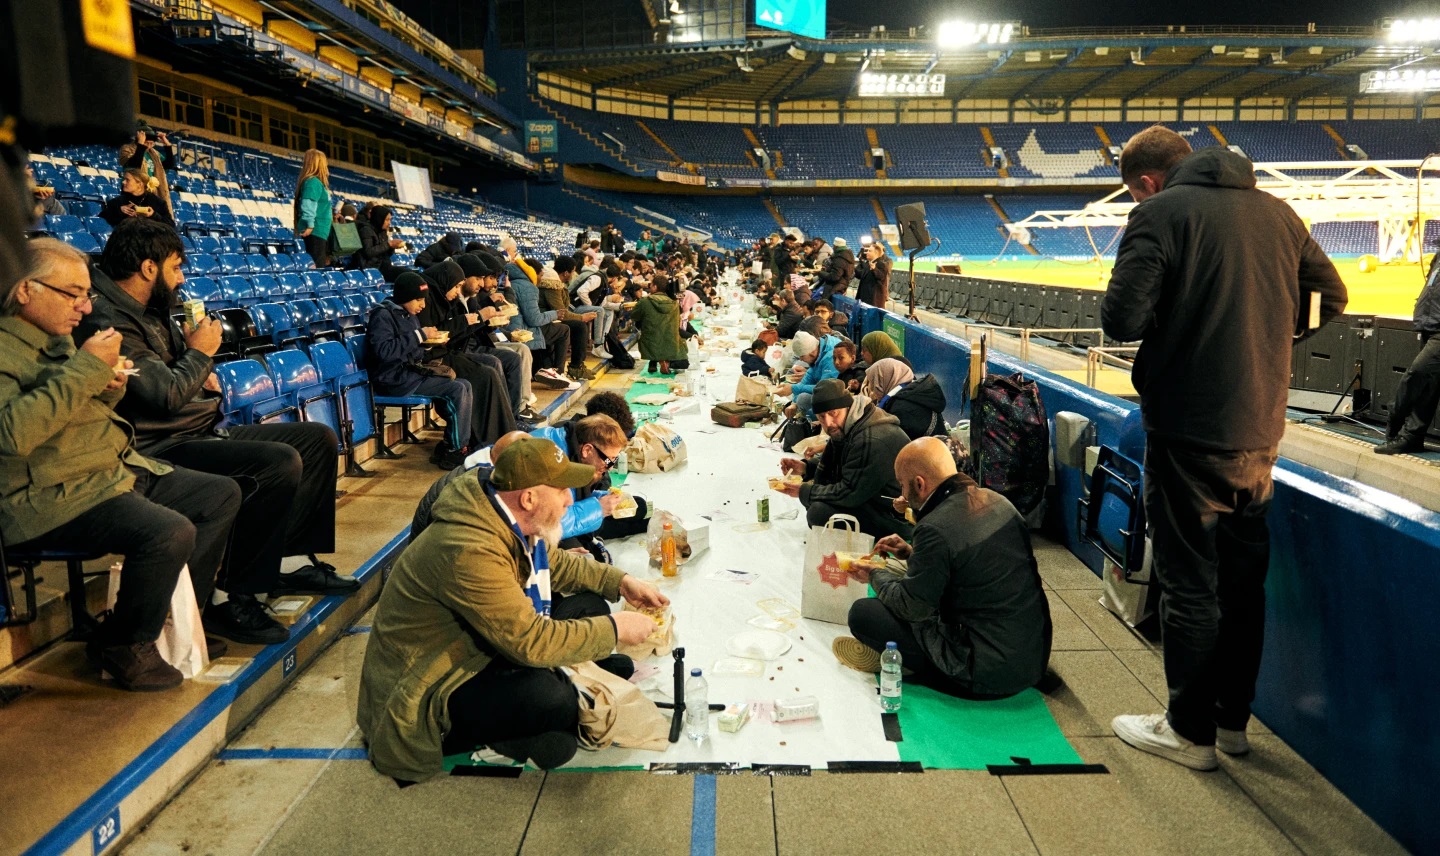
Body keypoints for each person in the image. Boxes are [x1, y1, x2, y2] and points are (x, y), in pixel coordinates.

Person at [1101, 126, 1348, 771]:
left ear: (1148, 181)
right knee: (1244, 585)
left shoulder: (1156, 214)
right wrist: (1269, 340)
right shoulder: (1278, 213)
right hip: (1259, 430)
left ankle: (1189, 733)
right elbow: (1332, 297)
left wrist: (1185, 338)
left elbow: (1121, 320)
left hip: (1186, 428)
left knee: (1190, 584)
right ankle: (1230, 724)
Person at [79, 219, 352, 644]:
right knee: (278, 463)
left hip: (194, 430)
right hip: (156, 447)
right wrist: (199, 354)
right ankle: (234, 597)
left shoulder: (155, 308)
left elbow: (177, 378)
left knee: (316, 439)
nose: (183, 276)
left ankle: (283, 565)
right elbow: (163, 394)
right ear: (149, 268)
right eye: (176, 266)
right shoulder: (109, 319)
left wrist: (200, 367)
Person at [0, 239, 241, 690]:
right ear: (25, 289)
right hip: (43, 495)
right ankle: (125, 643)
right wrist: (87, 370)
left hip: (99, 472)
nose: (85, 306)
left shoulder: (57, 339)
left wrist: (107, 384)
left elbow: (78, 408)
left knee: (218, 494)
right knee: (168, 531)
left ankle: (181, 620)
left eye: (87, 294)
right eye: (73, 294)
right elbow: (13, 435)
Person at [358, 438, 669, 781]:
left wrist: (621, 582)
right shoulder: (468, 550)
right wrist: (615, 629)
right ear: (529, 498)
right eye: (562, 490)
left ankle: (537, 716)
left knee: (591, 608)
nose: (570, 500)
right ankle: (471, 736)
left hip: (480, 648)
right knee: (554, 700)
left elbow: (558, 564)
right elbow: (530, 641)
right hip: (434, 683)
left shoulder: (501, 514)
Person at [832, 438, 1052, 698]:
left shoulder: (934, 527)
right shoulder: (998, 501)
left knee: (863, 613)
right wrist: (911, 554)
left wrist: (873, 574)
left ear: (919, 484)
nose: (902, 495)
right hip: (1033, 657)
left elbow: (911, 607)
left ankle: (923, 669)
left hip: (983, 672)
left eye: (902, 485)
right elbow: (970, 568)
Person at [776, 379, 913, 539]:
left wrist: (805, 491)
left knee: (820, 513)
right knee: (820, 504)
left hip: (897, 518)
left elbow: (849, 493)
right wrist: (807, 468)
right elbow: (846, 466)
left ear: (848, 408)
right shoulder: (851, 425)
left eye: (833, 413)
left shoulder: (870, 439)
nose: (828, 423)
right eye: (821, 417)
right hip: (872, 501)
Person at [365, 273, 476, 468]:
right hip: (392, 380)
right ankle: (455, 450)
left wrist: (426, 345)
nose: (423, 305)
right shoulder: (382, 315)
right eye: (418, 299)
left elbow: (411, 351)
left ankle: (456, 444)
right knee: (456, 390)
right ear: (405, 297)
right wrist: (418, 336)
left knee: (464, 384)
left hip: (409, 374)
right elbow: (383, 352)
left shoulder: (410, 315)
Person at [415, 260, 520, 442]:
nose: (457, 291)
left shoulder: (444, 297)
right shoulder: (429, 299)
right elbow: (435, 332)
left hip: (445, 353)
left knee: (490, 369)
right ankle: (487, 437)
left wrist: (479, 320)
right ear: (446, 281)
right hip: (433, 359)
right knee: (485, 374)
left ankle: (504, 430)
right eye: (456, 286)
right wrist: (474, 319)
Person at [1376, 252, 1439, 454]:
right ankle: (1413, 437)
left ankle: (1395, 417)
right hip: (1429, 325)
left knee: (1415, 375)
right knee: (1429, 387)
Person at [499, 237, 574, 388]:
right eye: (540, 274)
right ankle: (558, 372)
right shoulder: (527, 286)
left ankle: (547, 370)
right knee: (563, 330)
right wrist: (555, 314)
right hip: (521, 331)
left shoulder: (510, 281)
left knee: (549, 331)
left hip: (511, 328)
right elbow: (534, 319)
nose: (541, 278)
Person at [537, 255, 597, 381]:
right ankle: (575, 367)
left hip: (549, 318)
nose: (574, 274)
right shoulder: (551, 285)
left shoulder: (556, 283)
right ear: (566, 273)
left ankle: (577, 365)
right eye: (573, 271)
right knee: (579, 326)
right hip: (545, 321)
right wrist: (581, 317)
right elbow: (562, 312)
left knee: (579, 325)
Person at [864, 358, 948, 440]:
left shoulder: (900, 409)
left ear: (883, 380)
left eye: (874, 382)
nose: (872, 389)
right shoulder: (911, 393)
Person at [631, 272, 687, 375]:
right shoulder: (674, 303)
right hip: (671, 342)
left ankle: (657, 361)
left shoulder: (645, 301)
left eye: (651, 285)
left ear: (655, 287)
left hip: (650, 342)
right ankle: (665, 361)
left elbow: (634, 316)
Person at [778, 330, 839, 420]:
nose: (801, 360)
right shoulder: (819, 350)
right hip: (827, 391)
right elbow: (809, 376)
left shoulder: (830, 357)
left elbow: (824, 388)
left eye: (802, 356)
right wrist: (794, 403)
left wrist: (793, 388)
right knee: (799, 399)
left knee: (803, 399)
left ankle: (812, 427)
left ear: (812, 353)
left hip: (836, 398)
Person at [293, 148, 332, 268]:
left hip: (320, 232)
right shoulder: (313, 182)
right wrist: (309, 224)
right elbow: (308, 204)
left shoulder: (316, 182)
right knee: (317, 268)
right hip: (315, 231)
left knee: (319, 266)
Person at [100, 169, 175, 231]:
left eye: (127, 180)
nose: (123, 182)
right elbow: (102, 218)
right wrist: (119, 211)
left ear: (140, 184)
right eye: (124, 179)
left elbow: (170, 226)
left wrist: (153, 215)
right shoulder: (118, 202)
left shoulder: (158, 203)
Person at [351, 205, 404, 281]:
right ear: (379, 219)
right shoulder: (366, 230)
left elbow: (385, 254)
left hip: (383, 266)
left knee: (411, 274)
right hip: (373, 269)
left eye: (390, 220)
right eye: (387, 220)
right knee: (406, 276)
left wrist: (392, 247)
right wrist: (389, 244)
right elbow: (368, 252)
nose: (389, 223)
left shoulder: (382, 231)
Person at [855, 240, 891, 308]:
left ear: (876, 253)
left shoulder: (882, 264)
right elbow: (859, 275)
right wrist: (861, 261)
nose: (867, 253)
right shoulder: (868, 263)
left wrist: (874, 269)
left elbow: (881, 276)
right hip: (864, 299)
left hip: (874, 301)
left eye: (870, 251)